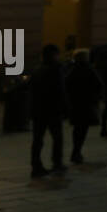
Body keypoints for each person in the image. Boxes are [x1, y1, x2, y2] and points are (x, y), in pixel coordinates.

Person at [29, 44, 68, 179]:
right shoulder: (56, 70)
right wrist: (65, 108)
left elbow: (30, 89)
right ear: (54, 55)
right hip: (52, 110)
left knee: (38, 140)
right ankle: (57, 163)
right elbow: (60, 91)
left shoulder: (37, 70)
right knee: (57, 138)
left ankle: (36, 166)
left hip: (38, 111)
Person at [64, 48, 102, 164]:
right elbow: (99, 84)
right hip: (86, 103)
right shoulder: (88, 69)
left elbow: (66, 84)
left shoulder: (72, 69)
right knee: (82, 128)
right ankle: (76, 152)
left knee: (77, 129)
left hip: (75, 103)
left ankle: (76, 152)